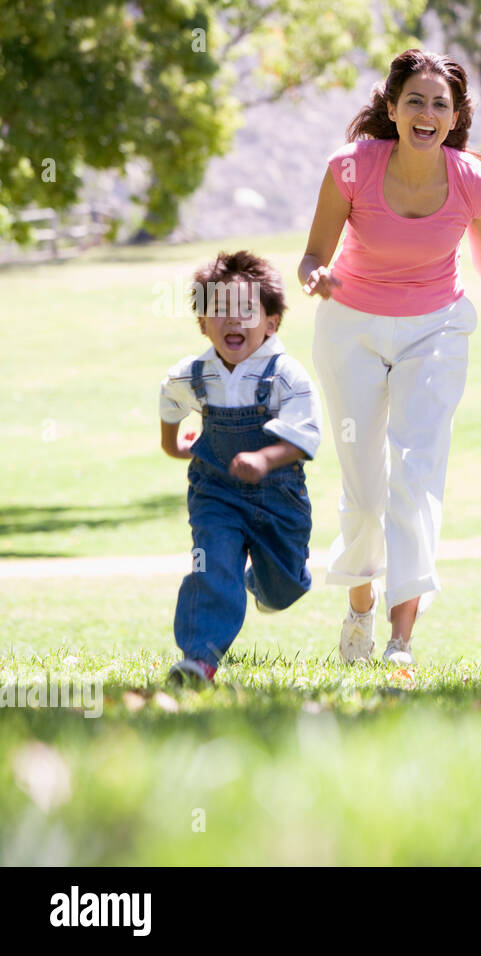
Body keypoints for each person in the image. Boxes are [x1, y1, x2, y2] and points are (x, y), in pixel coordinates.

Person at [300, 49, 481, 667]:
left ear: (455, 118)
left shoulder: (476, 182)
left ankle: (401, 641)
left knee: (416, 475)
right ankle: (361, 609)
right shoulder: (350, 169)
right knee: (365, 490)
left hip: (437, 329)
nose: (427, 114)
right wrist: (315, 277)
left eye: (440, 105)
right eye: (416, 101)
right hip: (351, 326)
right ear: (392, 109)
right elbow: (313, 254)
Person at [160, 250, 322, 684]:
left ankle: (262, 582)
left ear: (271, 322)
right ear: (202, 322)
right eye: (219, 311)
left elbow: (305, 436)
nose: (233, 320)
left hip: (279, 499)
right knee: (210, 565)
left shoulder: (286, 375)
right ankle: (199, 660)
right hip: (216, 492)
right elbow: (170, 397)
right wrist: (172, 445)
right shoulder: (195, 374)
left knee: (285, 586)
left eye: (246, 310)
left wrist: (264, 458)